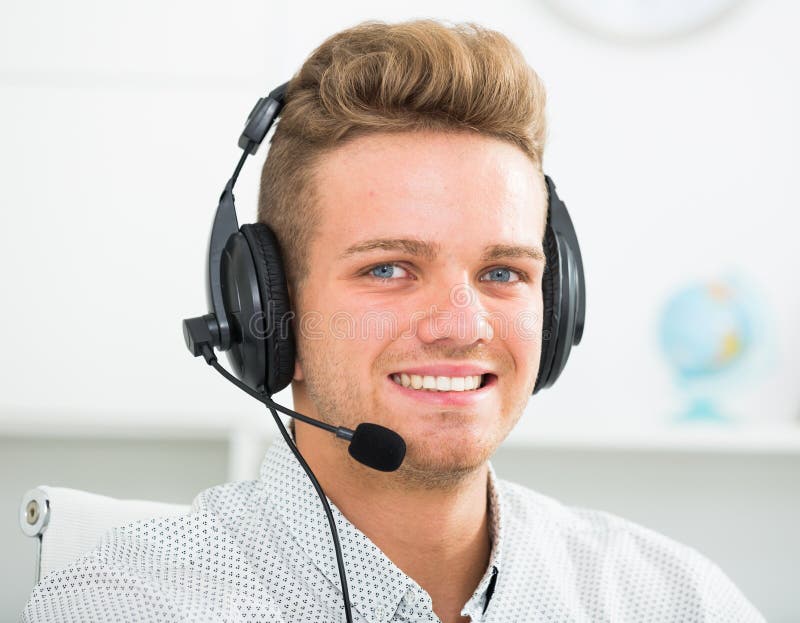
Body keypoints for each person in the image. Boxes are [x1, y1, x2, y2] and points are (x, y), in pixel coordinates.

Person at [22, 19, 764, 623]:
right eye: (389, 269)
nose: (462, 323)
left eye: (502, 272)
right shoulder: (126, 605)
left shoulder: (671, 598)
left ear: (558, 303)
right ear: (265, 314)